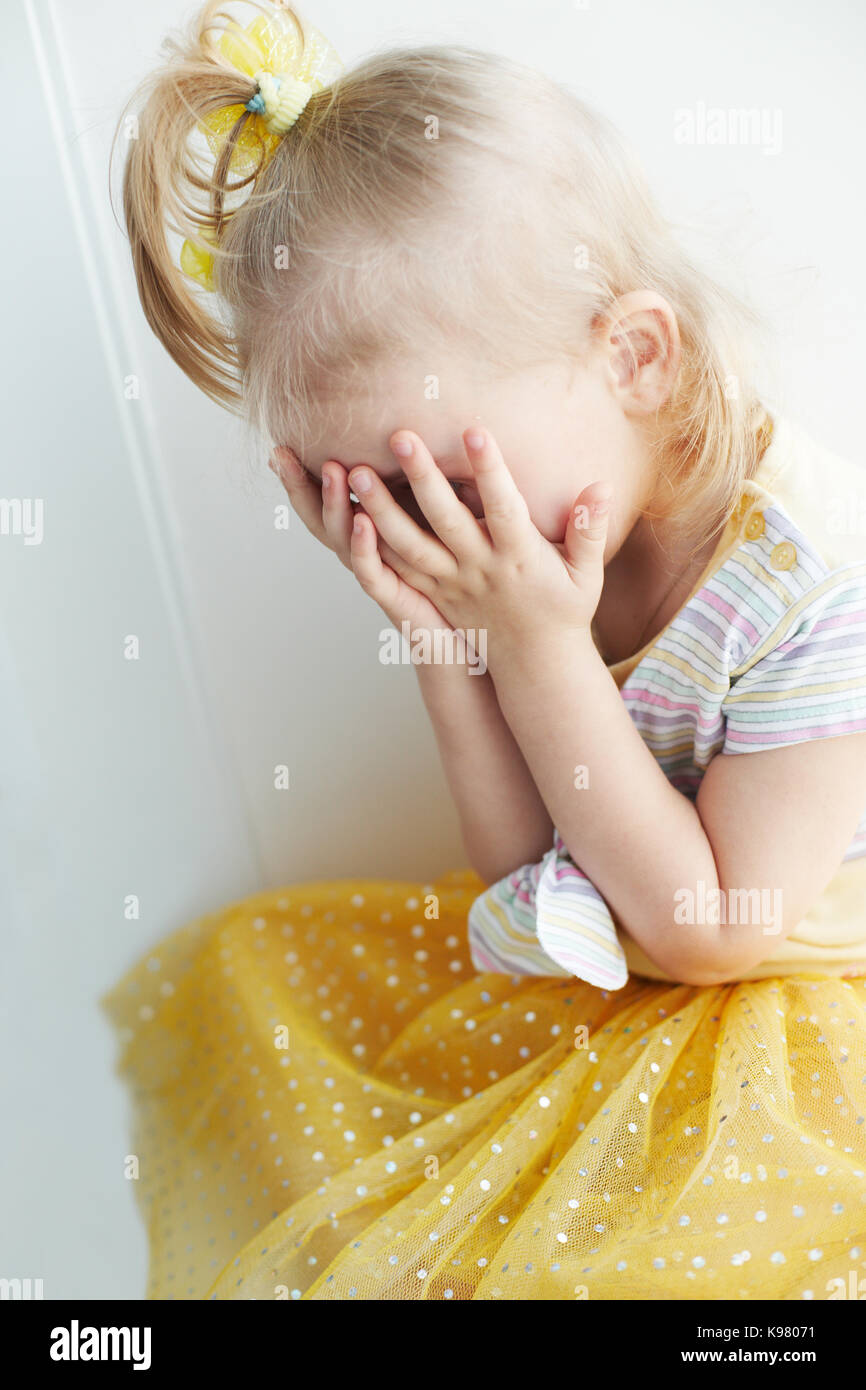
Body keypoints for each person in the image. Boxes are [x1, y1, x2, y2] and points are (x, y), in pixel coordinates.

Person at [102, 0, 866, 1299]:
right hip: (607, 969)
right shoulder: (533, 566)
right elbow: (524, 874)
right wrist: (454, 650)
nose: (429, 533)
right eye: (376, 502)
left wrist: (540, 647)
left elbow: (701, 928)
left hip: (786, 1004)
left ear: (630, 355)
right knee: (255, 993)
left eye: (442, 478)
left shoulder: (810, 579)